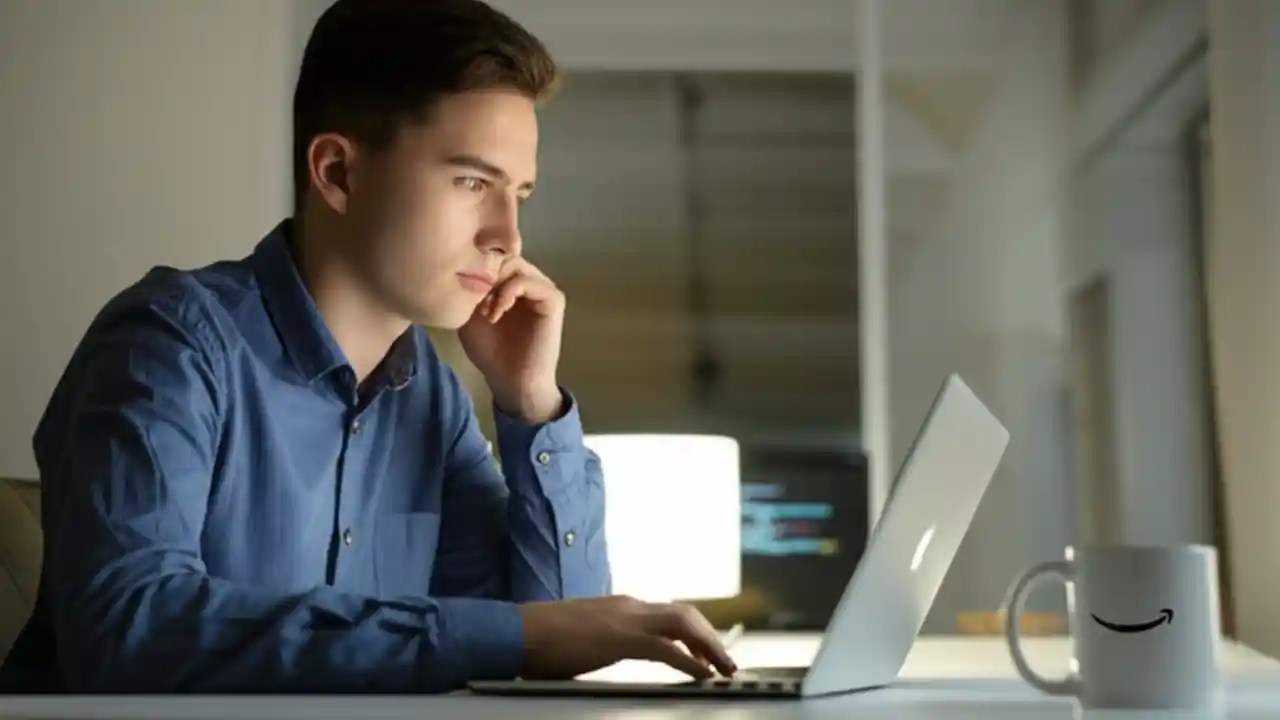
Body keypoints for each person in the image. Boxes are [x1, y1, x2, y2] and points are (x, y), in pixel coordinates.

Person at [0, 0, 735, 693]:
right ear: (337, 173)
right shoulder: (171, 344)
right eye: (472, 180)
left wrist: (532, 404)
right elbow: (130, 631)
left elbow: (558, 640)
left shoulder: (431, 398)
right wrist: (507, 637)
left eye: (521, 194)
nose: (508, 236)